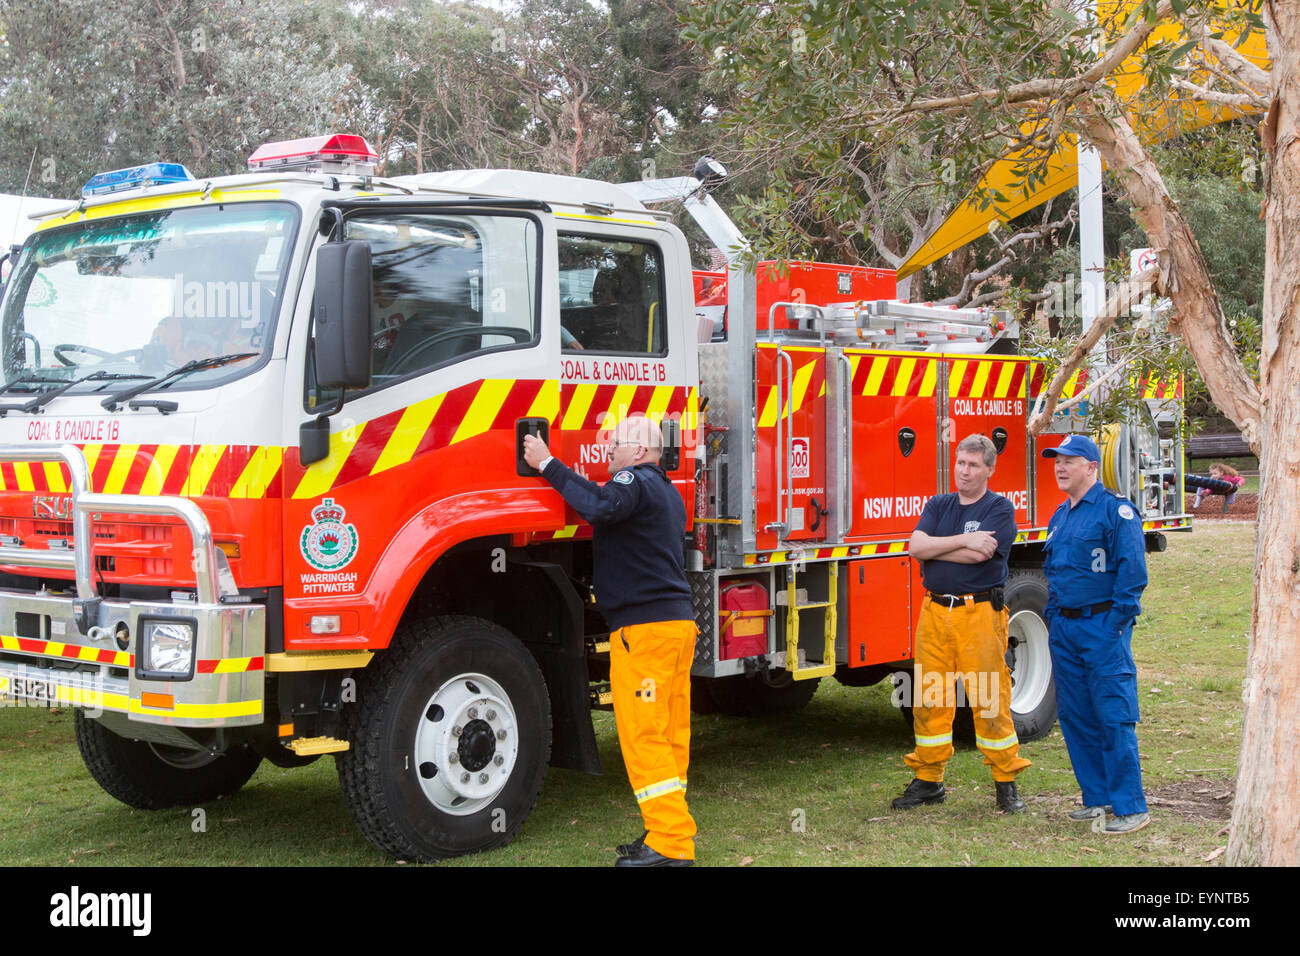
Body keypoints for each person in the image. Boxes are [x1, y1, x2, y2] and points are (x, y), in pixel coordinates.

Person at [522, 416, 697, 867]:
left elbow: (600, 507)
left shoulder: (631, 480)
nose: (610, 452)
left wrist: (548, 466)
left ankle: (671, 842)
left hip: (644, 632)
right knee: (670, 733)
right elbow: (612, 511)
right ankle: (664, 828)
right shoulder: (666, 491)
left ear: (638, 452)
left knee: (644, 734)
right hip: (676, 627)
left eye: (616, 444)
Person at [892, 434, 1031, 814]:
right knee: (929, 699)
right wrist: (961, 542)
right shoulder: (939, 503)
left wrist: (938, 548)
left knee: (989, 698)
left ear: (989, 469)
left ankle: (1006, 783)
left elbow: (983, 557)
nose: (964, 471)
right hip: (935, 613)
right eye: (960, 463)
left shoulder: (1000, 508)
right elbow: (916, 547)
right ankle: (928, 781)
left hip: (980, 614)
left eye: (973, 465)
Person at [1041, 433, 1150, 834]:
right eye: (1057, 461)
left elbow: (1133, 573)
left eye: (1070, 461)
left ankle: (1131, 806)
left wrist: (1115, 624)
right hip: (1066, 628)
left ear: (1091, 467)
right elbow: (1057, 573)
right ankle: (1098, 797)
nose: (1060, 467)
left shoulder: (1114, 511)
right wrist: (1054, 618)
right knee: (1076, 714)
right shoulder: (1060, 515)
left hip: (1102, 626)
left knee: (1113, 713)